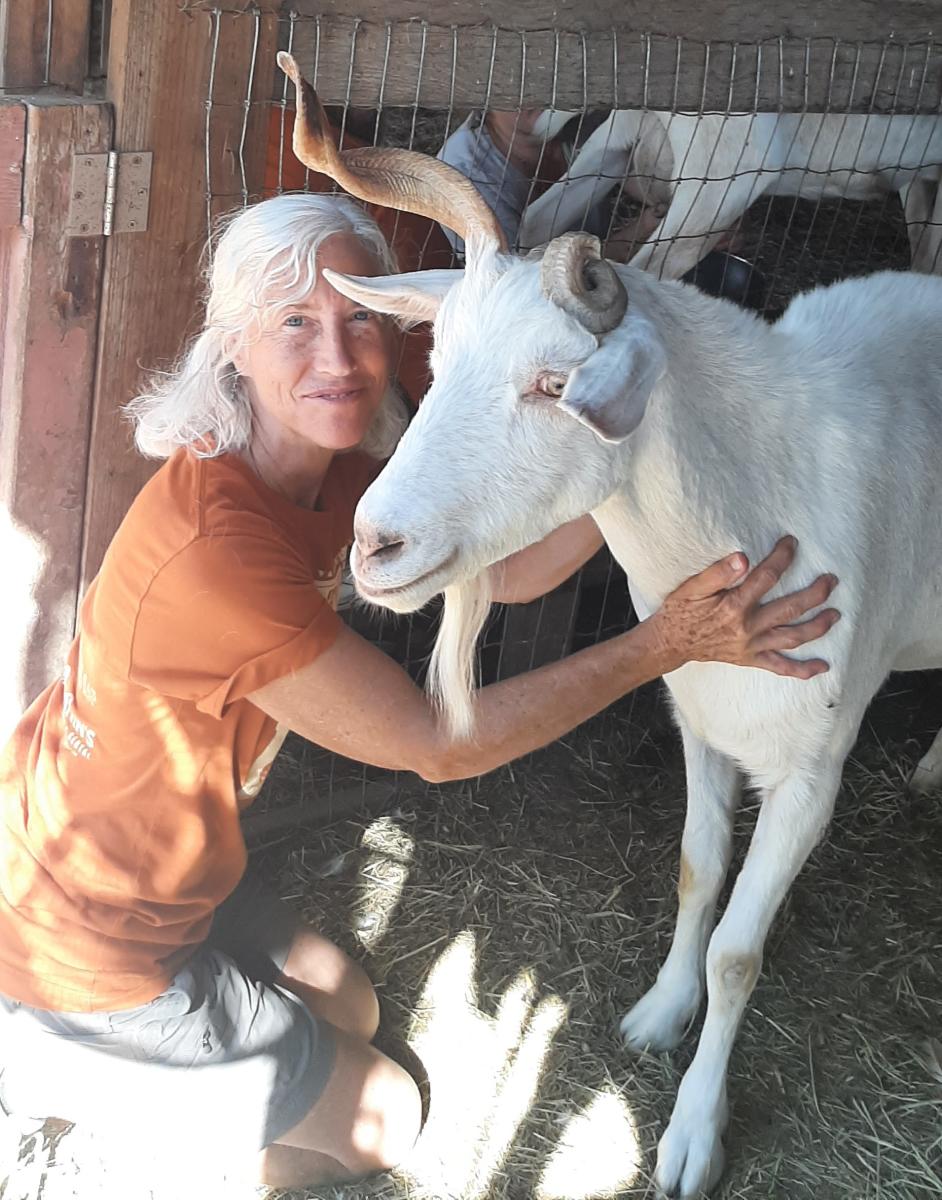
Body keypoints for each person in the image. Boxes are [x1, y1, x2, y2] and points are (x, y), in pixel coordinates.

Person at [0, 192, 840, 1189]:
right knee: (389, 1122)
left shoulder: (325, 472)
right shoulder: (214, 553)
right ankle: (72, 1083)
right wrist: (668, 642)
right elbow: (437, 745)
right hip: (80, 949)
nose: (338, 356)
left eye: (361, 318)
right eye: (295, 322)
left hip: (174, 891)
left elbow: (505, 570)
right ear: (234, 346)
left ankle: (149, 1062)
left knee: (351, 1006)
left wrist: (635, 465)